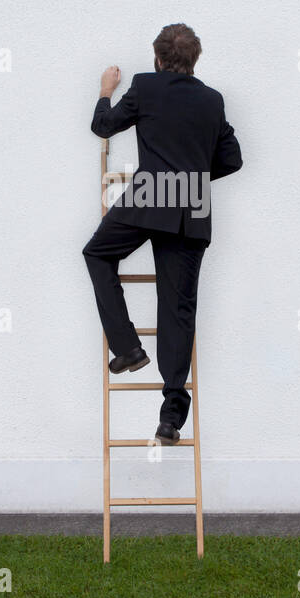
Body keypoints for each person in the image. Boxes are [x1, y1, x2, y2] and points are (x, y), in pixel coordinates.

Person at [82, 23, 242, 445]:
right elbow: (233, 159)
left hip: (150, 197)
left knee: (98, 254)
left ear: (157, 58)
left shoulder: (146, 87)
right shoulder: (212, 100)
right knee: (178, 308)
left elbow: (104, 126)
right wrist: (192, 178)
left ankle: (128, 346)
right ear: (196, 60)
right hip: (192, 208)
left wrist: (104, 89)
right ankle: (171, 415)